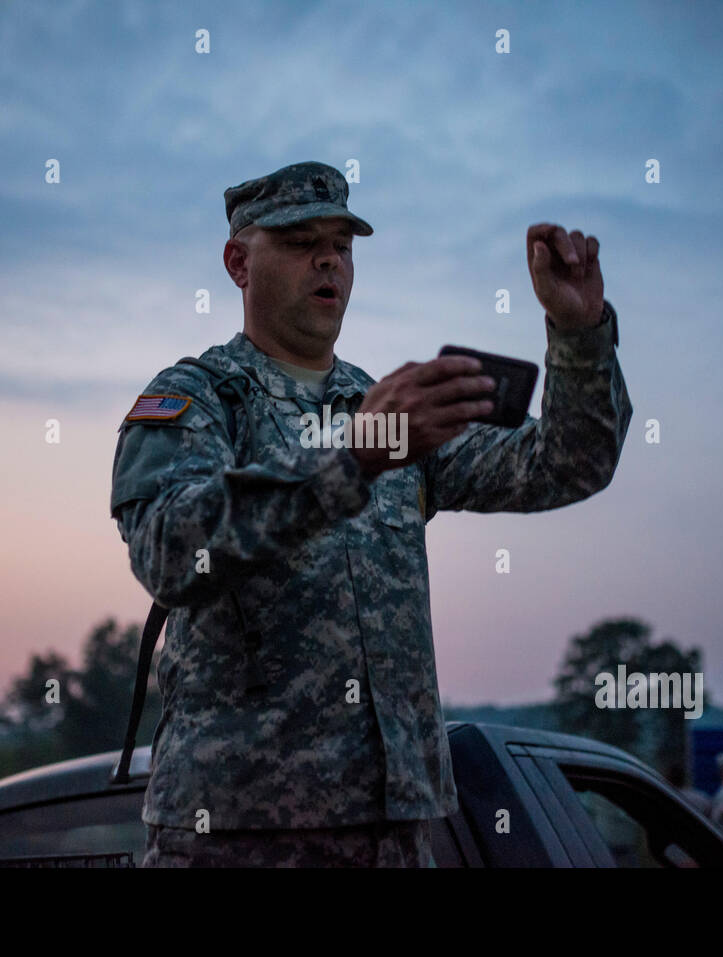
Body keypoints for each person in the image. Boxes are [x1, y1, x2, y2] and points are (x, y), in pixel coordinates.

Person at [111, 160, 633, 866]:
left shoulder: (387, 405)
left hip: (395, 834)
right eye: (299, 242)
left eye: (342, 243)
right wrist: (353, 457)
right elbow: (170, 554)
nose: (328, 258)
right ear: (238, 261)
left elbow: (564, 465)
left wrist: (579, 335)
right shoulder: (202, 400)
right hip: (234, 836)